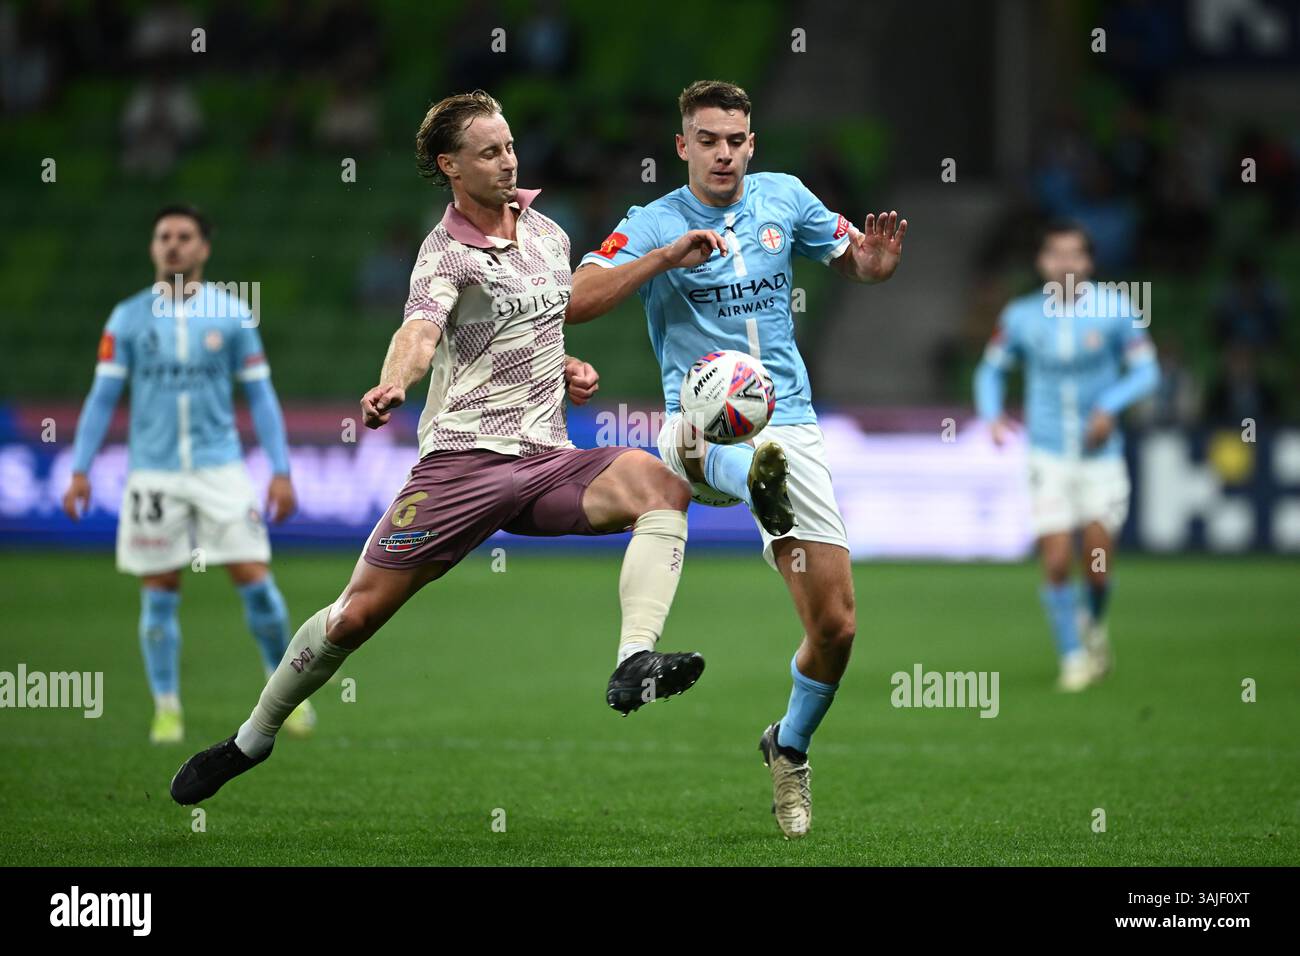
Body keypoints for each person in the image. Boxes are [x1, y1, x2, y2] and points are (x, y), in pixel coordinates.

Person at [170, 91, 699, 806]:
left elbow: (547, 312)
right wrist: (394, 383)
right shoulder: (444, 253)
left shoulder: (546, 232)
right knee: (354, 616)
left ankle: (634, 661)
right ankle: (252, 737)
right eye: (489, 152)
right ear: (450, 165)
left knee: (660, 486)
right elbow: (419, 333)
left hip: (546, 459)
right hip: (463, 465)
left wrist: (563, 365)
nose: (508, 160)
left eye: (510, 146)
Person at [565, 80, 908, 839]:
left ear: (752, 144)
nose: (724, 153)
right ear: (682, 146)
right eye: (708, 140)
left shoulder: (785, 198)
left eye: (736, 140)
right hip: (696, 423)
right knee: (692, 446)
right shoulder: (654, 220)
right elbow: (575, 297)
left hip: (788, 425)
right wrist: (661, 258)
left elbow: (853, 257)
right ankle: (757, 488)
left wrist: (872, 266)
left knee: (837, 627)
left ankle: (787, 745)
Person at [63, 204, 309, 743]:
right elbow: (102, 397)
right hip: (153, 475)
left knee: (257, 582)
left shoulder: (232, 315)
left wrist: (281, 469)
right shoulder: (127, 317)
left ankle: (284, 692)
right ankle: (167, 707)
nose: (172, 244)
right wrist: (79, 468)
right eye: (163, 236)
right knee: (159, 588)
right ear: (154, 247)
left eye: (184, 236)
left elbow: (261, 396)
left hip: (221, 469)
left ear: (203, 248)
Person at [974, 220, 1159, 691]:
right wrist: (993, 415)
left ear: (1088, 262)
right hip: (1048, 453)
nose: (1065, 264)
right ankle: (1073, 657)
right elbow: (990, 372)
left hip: (1101, 455)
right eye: (1056, 254)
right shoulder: (1020, 317)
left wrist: (1109, 407)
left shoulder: (1117, 311)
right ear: (1042, 262)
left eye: (1074, 255)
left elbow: (1146, 372)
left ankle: (1093, 625)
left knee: (1097, 564)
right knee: (1057, 560)